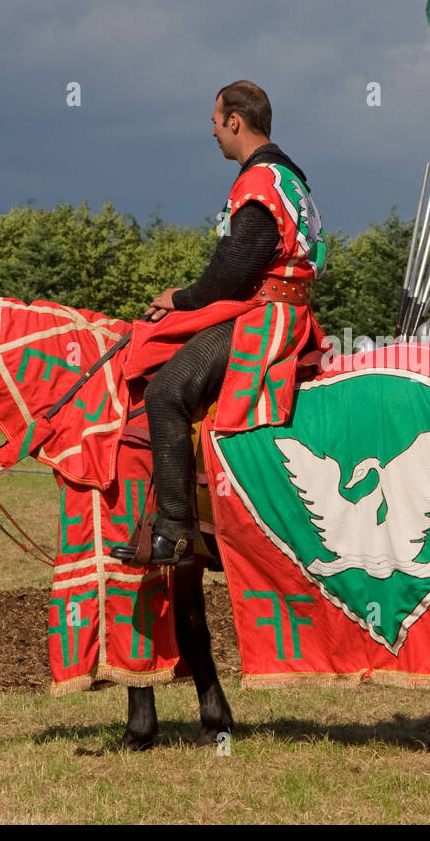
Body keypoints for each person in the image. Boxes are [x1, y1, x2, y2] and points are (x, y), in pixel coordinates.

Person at [112, 81, 325, 564]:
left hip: (266, 317)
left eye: (214, 121)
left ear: (235, 121)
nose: (211, 131)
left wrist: (182, 299)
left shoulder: (261, 182)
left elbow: (233, 270)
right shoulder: (293, 179)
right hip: (284, 309)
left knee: (167, 391)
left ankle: (174, 529)